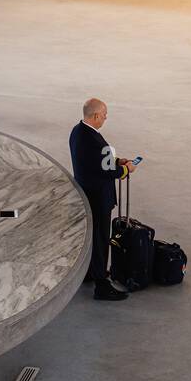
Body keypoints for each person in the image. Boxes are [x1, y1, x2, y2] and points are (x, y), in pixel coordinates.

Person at [69, 97, 137, 301]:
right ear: (96, 115)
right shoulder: (93, 139)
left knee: (92, 237)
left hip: (86, 192)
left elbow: (97, 161)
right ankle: (101, 284)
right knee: (100, 239)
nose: (106, 118)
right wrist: (126, 168)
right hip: (98, 197)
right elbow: (109, 171)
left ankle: (91, 272)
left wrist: (117, 160)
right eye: (104, 115)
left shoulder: (78, 132)